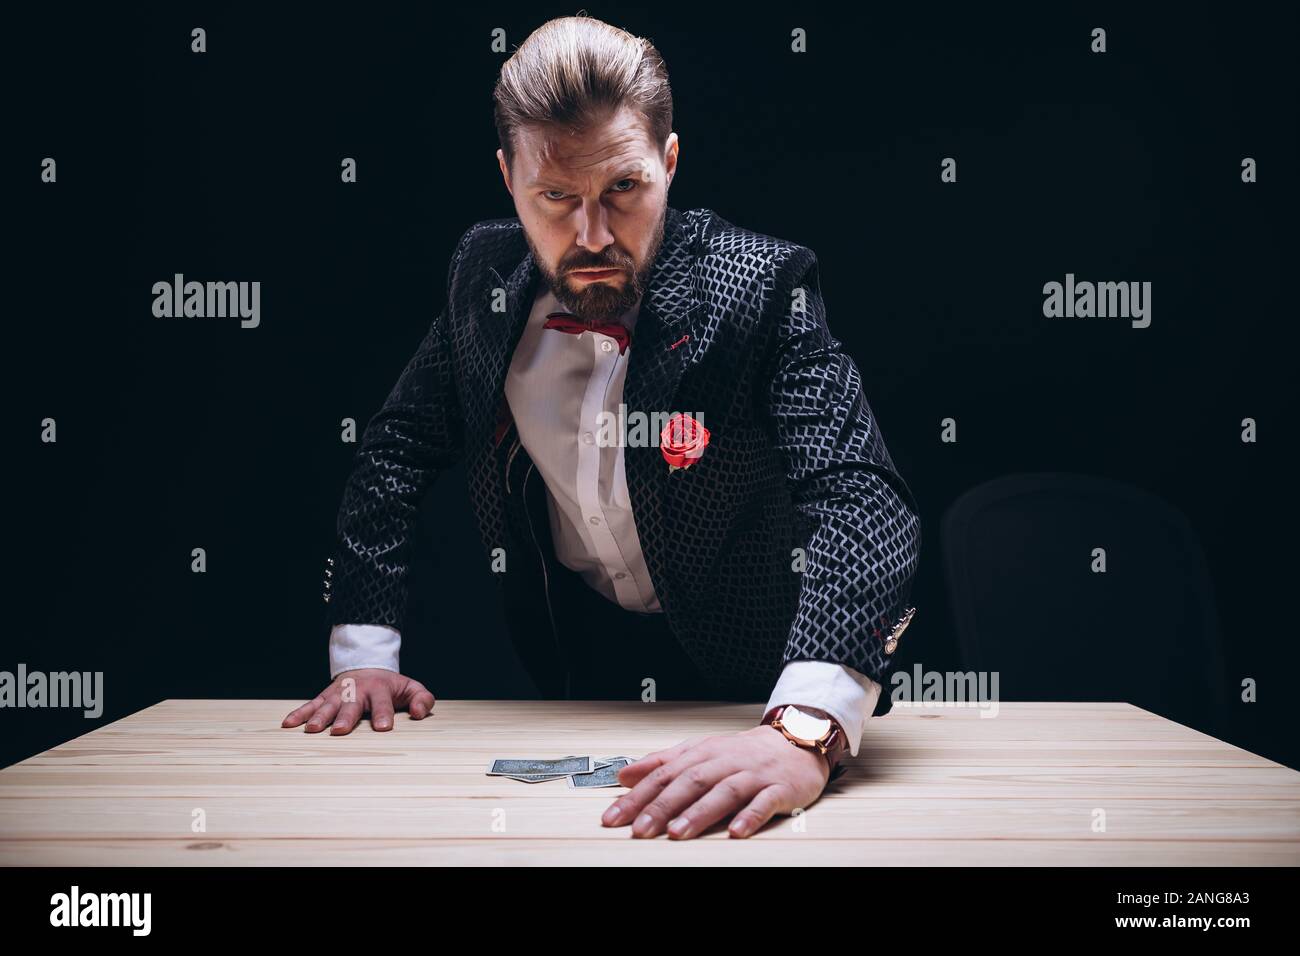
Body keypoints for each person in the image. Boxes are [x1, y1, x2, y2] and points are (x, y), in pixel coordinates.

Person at [283, 14, 921, 840]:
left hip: (762, 682)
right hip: (576, 667)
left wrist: (807, 727)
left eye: (623, 189)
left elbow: (864, 502)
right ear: (508, 178)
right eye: (556, 197)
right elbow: (397, 449)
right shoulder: (480, 279)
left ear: (670, 161)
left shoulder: (762, 288)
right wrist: (363, 653)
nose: (592, 237)